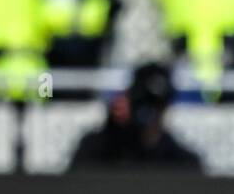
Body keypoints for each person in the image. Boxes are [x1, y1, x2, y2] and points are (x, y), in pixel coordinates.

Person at [69, 62, 203, 172]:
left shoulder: (181, 162)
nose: (148, 115)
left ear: (166, 107)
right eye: (141, 105)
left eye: (156, 107)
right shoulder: (97, 148)